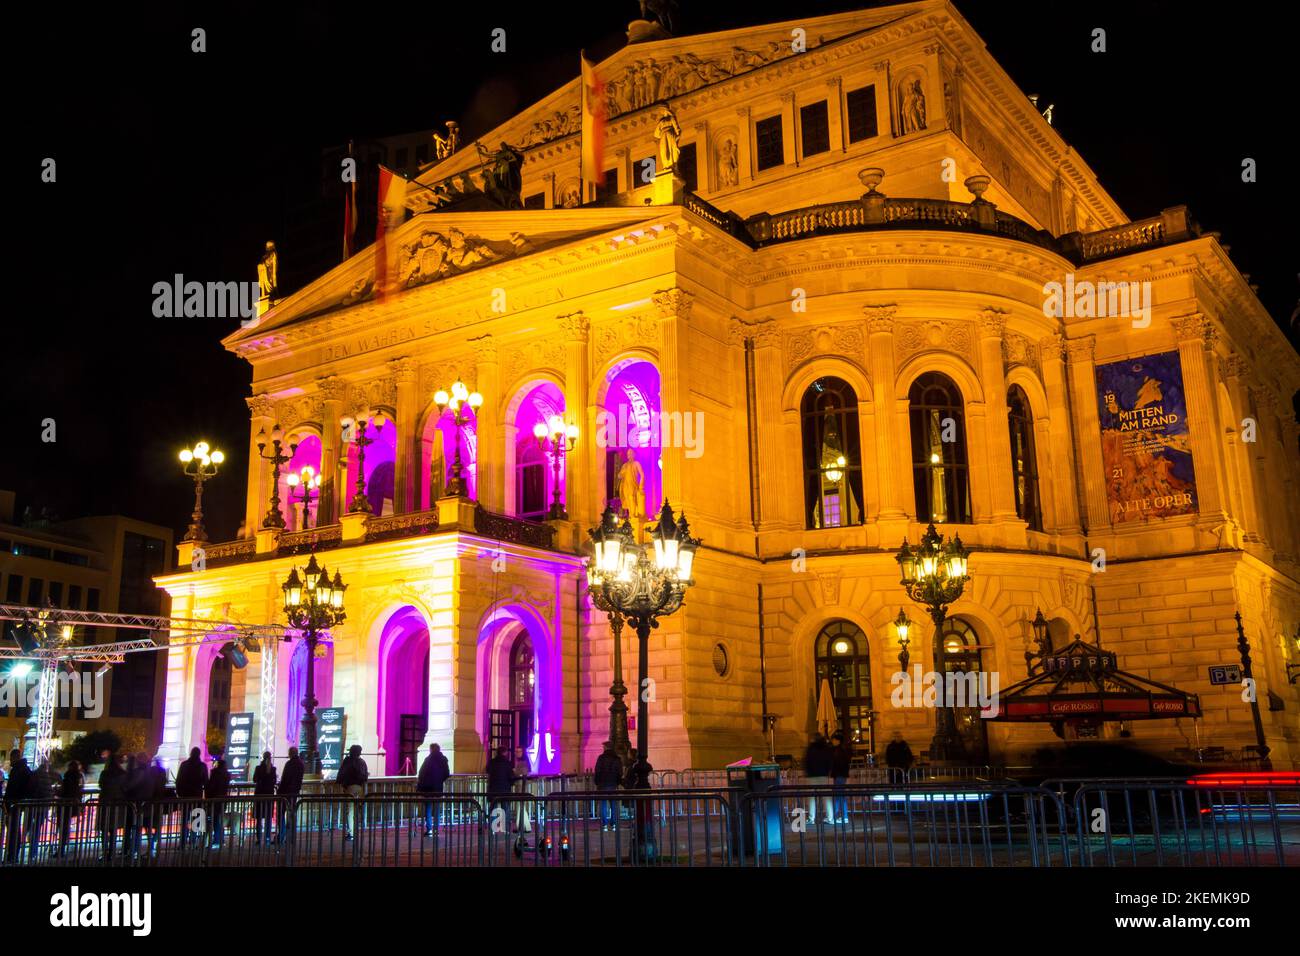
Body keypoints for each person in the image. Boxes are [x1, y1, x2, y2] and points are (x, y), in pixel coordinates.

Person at [175, 747, 208, 849]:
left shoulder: (184, 765)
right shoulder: (202, 766)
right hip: (197, 796)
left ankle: (183, 842)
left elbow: (178, 780)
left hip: (185, 796)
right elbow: (206, 781)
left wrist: (179, 793)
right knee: (196, 820)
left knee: (184, 820)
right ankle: (193, 842)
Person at [416, 743, 450, 837]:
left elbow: (421, 773)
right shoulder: (443, 760)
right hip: (438, 788)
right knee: (437, 809)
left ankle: (429, 829)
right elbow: (447, 773)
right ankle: (436, 829)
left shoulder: (428, 759)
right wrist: (440, 780)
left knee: (428, 808)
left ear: (431, 749)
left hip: (427, 788)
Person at [96, 751, 125, 861]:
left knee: (104, 829)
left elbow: (100, 785)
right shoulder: (122, 773)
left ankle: (105, 851)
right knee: (113, 830)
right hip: (117, 803)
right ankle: (112, 852)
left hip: (105, 802)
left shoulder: (105, 773)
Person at [24, 759, 55, 861]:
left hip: (33, 806)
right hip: (43, 807)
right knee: (37, 829)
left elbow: (29, 789)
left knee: (27, 827)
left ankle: (21, 847)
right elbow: (50, 792)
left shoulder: (34, 775)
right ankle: (33, 853)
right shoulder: (47, 777)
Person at [336, 745, 369, 840]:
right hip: (360, 788)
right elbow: (365, 776)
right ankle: (355, 830)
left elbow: (341, 774)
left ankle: (351, 833)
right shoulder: (362, 762)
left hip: (350, 787)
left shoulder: (348, 761)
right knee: (356, 810)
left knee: (350, 811)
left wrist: (340, 782)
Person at [4, 751, 31, 863]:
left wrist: (7, 801)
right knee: (15, 829)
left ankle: (12, 856)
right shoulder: (25, 769)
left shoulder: (17, 770)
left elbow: (12, 788)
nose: (10, 760)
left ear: (15, 757)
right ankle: (13, 855)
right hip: (17, 803)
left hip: (14, 803)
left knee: (13, 830)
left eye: (11, 758)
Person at [802, 733, 835, 825]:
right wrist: (828, 771)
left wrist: (807, 772)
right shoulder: (825, 748)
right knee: (826, 798)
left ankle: (811, 818)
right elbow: (830, 761)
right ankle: (830, 818)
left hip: (812, 775)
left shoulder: (810, 748)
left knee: (811, 798)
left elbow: (806, 761)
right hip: (823, 775)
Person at [56, 760, 85, 857]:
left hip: (64, 804)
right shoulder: (79, 777)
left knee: (63, 826)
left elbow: (64, 791)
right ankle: (65, 846)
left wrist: (57, 792)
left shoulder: (68, 777)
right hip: (73, 804)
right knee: (66, 826)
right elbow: (80, 789)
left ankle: (61, 848)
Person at [593, 741, 623, 832]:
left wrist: (597, 782)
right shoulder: (617, 758)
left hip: (602, 784)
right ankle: (613, 824)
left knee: (603, 805)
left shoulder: (601, 758)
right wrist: (618, 782)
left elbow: (597, 770)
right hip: (613, 784)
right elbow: (620, 772)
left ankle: (604, 825)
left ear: (606, 747)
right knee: (613, 805)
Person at [277, 747, 304, 845]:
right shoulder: (301, 764)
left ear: (290, 753)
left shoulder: (289, 764)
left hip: (286, 792)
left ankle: (282, 835)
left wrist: (279, 791)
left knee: (281, 814)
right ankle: (291, 837)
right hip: (294, 792)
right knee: (292, 815)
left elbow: (285, 779)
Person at [252, 751, 277, 846]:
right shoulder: (273, 769)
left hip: (259, 795)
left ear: (263, 757)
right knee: (268, 818)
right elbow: (274, 781)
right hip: (269, 795)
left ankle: (259, 839)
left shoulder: (258, 768)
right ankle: (267, 838)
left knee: (259, 819)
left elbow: (255, 779)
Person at [484, 747, 513, 824]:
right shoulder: (507, 763)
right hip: (505, 789)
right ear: (505, 753)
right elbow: (511, 776)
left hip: (493, 789)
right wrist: (511, 783)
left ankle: (492, 826)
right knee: (505, 808)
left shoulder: (492, 762)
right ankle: (506, 826)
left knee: (494, 807)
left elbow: (487, 770)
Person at [206, 757, 230, 849]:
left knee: (214, 820)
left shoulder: (214, 773)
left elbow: (210, 786)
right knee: (219, 820)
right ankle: (220, 839)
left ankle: (216, 840)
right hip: (223, 799)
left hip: (214, 799)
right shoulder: (227, 774)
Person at [830, 732, 852, 825]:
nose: (832, 741)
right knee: (840, 796)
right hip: (841, 775)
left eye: (834, 740)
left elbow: (837, 763)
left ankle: (842, 816)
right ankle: (841, 816)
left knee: (838, 796)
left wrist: (833, 770)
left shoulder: (838, 751)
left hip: (839, 775)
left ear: (838, 741)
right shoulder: (842, 750)